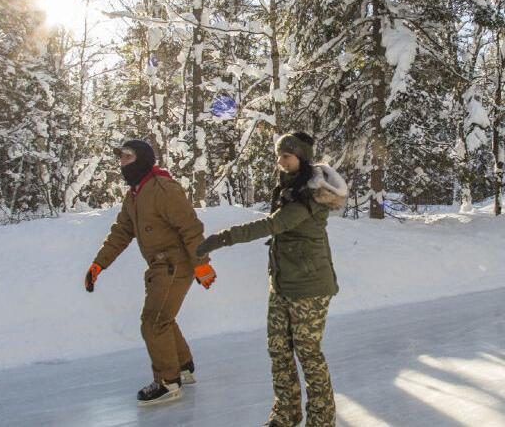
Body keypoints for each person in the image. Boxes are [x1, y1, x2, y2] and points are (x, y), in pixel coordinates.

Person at [196, 131, 348, 427]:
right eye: (278, 156)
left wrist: (220, 239)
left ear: (301, 158)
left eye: (286, 156)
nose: (280, 162)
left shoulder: (312, 195)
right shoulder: (289, 187)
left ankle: (321, 420)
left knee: (308, 354)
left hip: (309, 287)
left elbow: (274, 224)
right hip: (281, 283)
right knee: (278, 350)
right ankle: (285, 415)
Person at [84, 138, 218, 406]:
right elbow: (122, 231)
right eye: (120, 158)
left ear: (143, 160)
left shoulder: (163, 188)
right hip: (159, 265)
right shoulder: (135, 193)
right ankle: (182, 367)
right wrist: (99, 264)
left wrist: (201, 263)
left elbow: (190, 227)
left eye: (127, 157)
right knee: (163, 317)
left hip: (175, 263)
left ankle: (168, 383)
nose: (122, 163)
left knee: (153, 322)